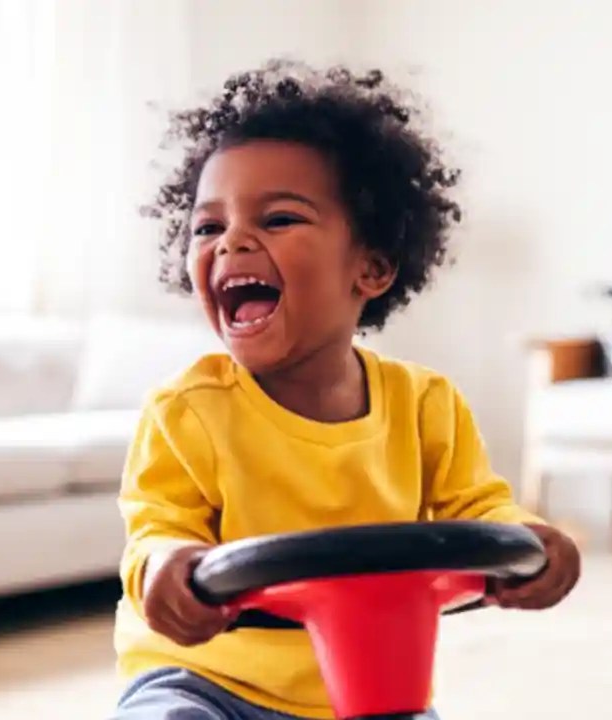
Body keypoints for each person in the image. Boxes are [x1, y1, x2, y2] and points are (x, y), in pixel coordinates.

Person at [112, 60, 582, 720]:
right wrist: (168, 564)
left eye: (277, 219)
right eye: (208, 227)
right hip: (205, 682)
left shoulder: (424, 406)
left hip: (370, 690)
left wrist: (528, 542)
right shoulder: (187, 410)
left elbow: (478, 510)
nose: (234, 241)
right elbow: (157, 529)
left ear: (373, 268)